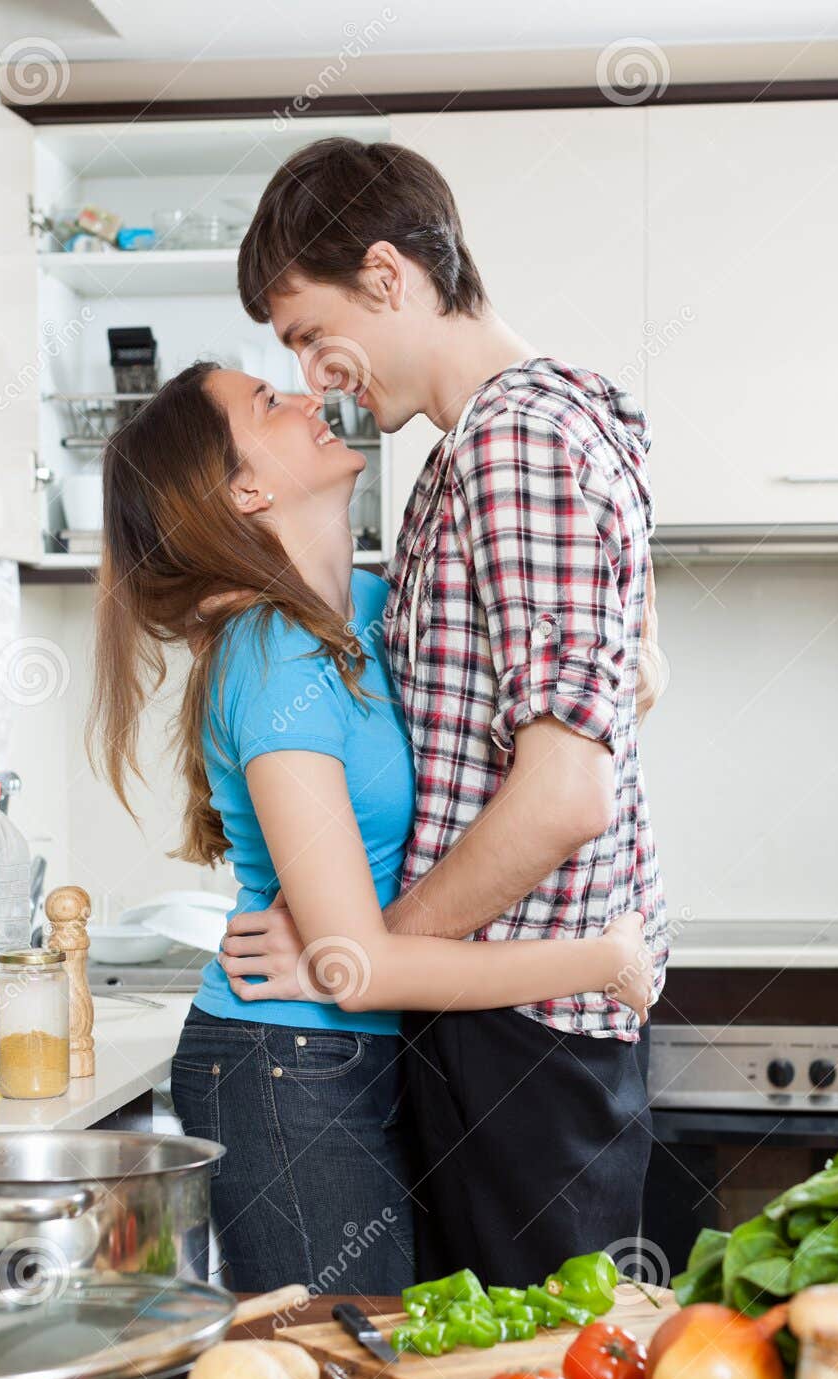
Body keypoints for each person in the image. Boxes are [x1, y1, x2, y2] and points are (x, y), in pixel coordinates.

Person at [87, 360, 652, 1295]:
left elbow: (561, 709)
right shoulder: (271, 656)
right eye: (270, 402)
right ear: (245, 489)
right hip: (287, 1067)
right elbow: (362, 970)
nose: (311, 395)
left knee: (408, 1372)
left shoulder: (370, 607)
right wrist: (601, 960)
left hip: (381, 1049)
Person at [223, 137, 667, 1285]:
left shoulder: (512, 444)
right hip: (517, 1010)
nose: (321, 375)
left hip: (515, 1020)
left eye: (311, 336)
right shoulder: (546, 421)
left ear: (386, 277)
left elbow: (566, 792)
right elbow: (637, 673)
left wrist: (367, 950)